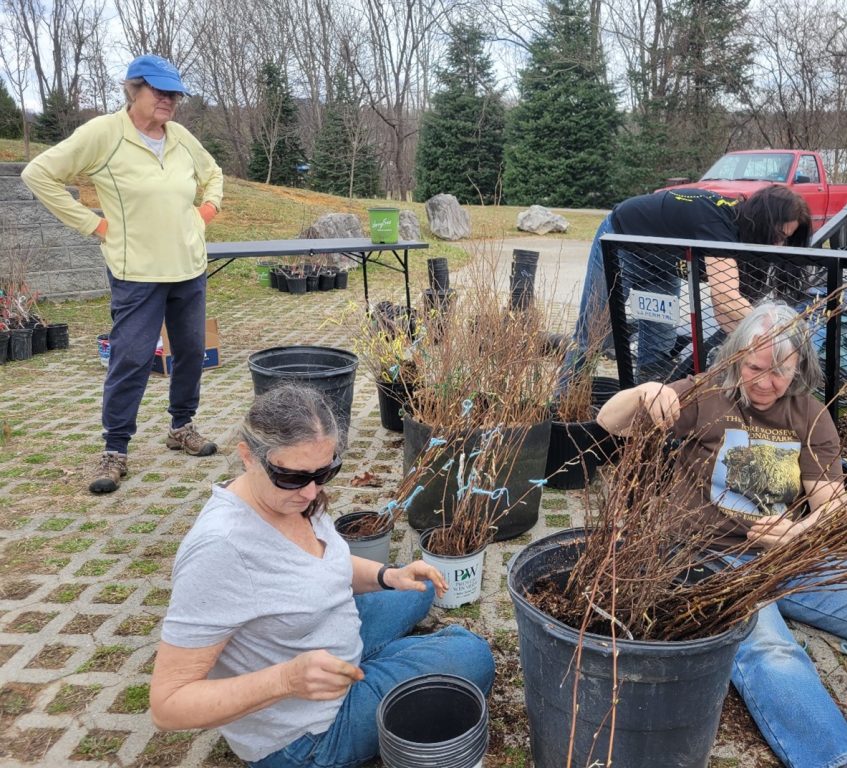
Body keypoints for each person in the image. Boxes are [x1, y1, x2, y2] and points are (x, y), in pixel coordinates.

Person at [596, 302, 847, 768]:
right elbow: (609, 421)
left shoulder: (810, 415)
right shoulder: (707, 394)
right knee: (771, 651)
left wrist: (799, 531)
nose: (765, 383)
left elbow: (833, 507)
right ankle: (844, 763)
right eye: (754, 367)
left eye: (780, 372)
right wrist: (647, 392)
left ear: (799, 367)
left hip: (788, 557)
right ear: (735, 356)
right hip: (706, 559)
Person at [149, 384, 495, 767]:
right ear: (248, 456)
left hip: (320, 637)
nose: (311, 492)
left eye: (326, 471)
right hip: (305, 731)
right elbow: (167, 705)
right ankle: (383, 673)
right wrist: (286, 680)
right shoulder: (220, 549)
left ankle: (378, 662)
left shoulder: (293, 498)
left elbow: (324, 564)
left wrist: (388, 576)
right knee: (472, 654)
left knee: (419, 587)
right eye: (292, 476)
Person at [22, 54, 223, 494]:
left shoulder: (181, 137)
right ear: (134, 90)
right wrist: (93, 224)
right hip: (137, 271)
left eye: (175, 94)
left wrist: (205, 212)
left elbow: (213, 174)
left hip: (188, 266)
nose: (169, 100)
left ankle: (181, 427)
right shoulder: (105, 133)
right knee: (131, 357)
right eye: (159, 91)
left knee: (191, 351)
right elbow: (39, 174)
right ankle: (115, 448)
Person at [567, 186, 812, 384]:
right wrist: (777, 330)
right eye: (777, 236)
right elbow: (725, 297)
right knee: (595, 331)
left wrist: (753, 346)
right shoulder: (718, 225)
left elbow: (724, 314)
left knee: (659, 343)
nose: (778, 246)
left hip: (662, 263)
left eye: (785, 239)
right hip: (621, 240)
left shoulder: (738, 232)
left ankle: (645, 407)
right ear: (762, 222)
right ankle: (564, 400)